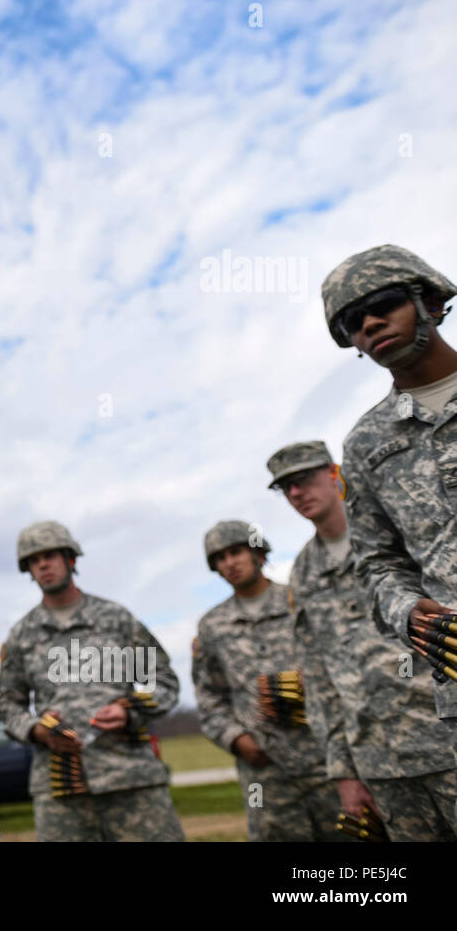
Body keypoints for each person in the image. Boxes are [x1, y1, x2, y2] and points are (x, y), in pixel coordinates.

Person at [269, 441, 457, 840]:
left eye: (303, 479)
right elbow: (318, 678)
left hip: (445, 743)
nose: (297, 493)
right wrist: (343, 772)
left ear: (336, 474)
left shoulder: (398, 534)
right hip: (379, 762)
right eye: (286, 488)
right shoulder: (303, 572)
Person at [322, 245, 457, 738]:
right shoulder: (367, 443)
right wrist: (406, 611)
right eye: (355, 321)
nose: (371, 324)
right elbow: (379, 562)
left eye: (385, 305)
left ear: (431, 301)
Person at [0, 521, 184, 841]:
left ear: (71, 559)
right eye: (33, 560)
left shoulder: (116, 620)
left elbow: (162, 682)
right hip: (61, 787)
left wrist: (131, 710)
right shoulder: (22, 635)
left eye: (50, 555)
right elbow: (9, 705)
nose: (42, 564)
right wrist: (37, 730)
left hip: (131, 777)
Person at [192, 520, 346, 841]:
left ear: (259, 554)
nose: (229, 563)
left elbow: (342, 662)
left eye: (236, 552)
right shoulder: (212, 626)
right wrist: (236, 738)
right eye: (220, 558)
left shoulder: (300, 601)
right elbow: (209, 697)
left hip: (327, 759)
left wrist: (311, 684)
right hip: (264, 772)